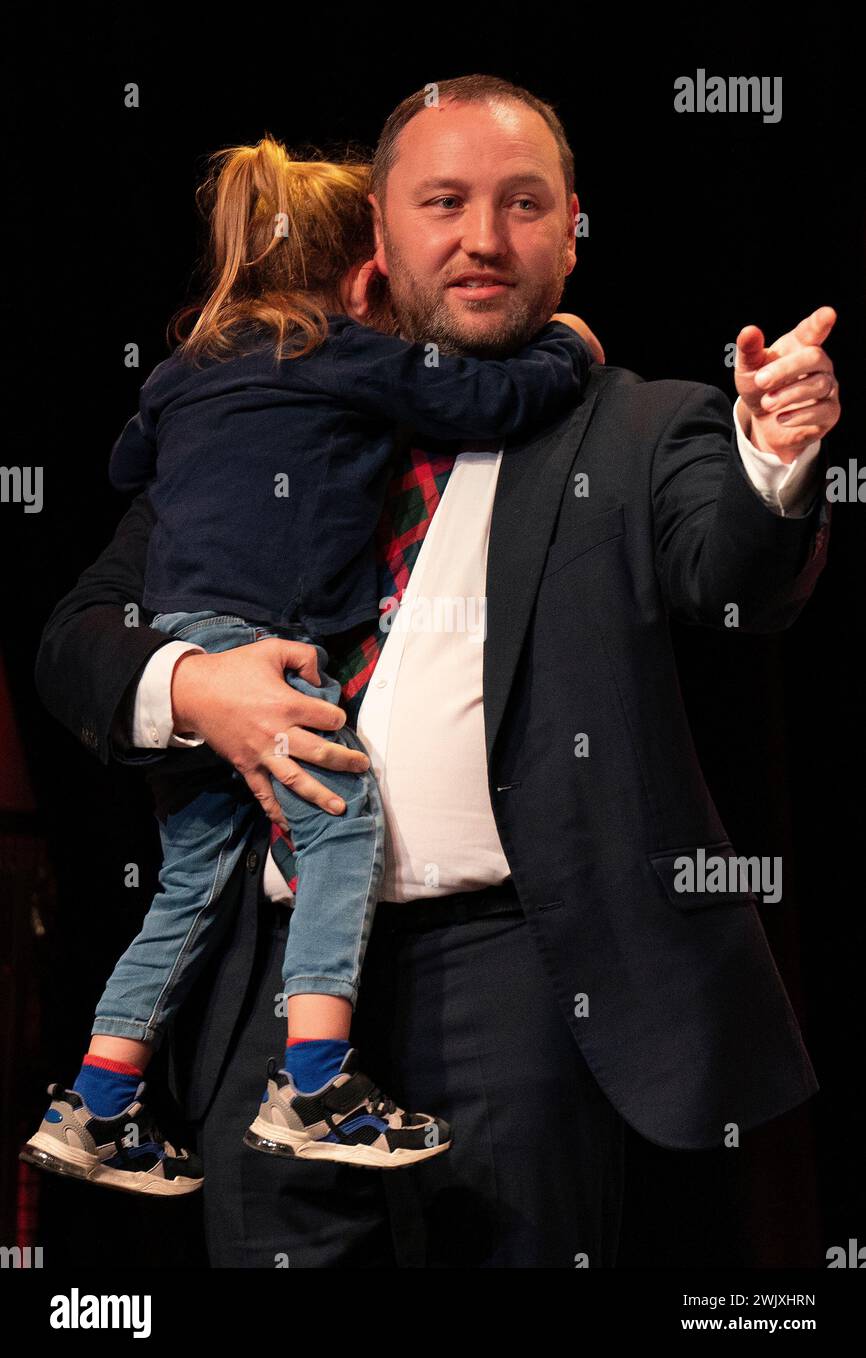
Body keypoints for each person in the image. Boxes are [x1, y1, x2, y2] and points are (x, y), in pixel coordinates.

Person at [32, 74, 839, 1266]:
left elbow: (737, 574)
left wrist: (773, 461)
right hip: (270, 986)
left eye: (523, 204)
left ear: (571, 232)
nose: (482, 238)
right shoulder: (254, 420)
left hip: (523, 986)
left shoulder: (636, 426)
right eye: (444, 201)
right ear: (377, 234)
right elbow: (77, 640)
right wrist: (195, 689)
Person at [20, 136, 595, 1193]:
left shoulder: (186, 370)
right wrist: (564, 347)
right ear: (369, 273)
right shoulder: (343, 350)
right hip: (262, 649)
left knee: (188, 884)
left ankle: (98, 1103)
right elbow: (486, 403)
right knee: (342, 823)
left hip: (182, 622)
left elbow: (126, 459)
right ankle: (318, 1084)